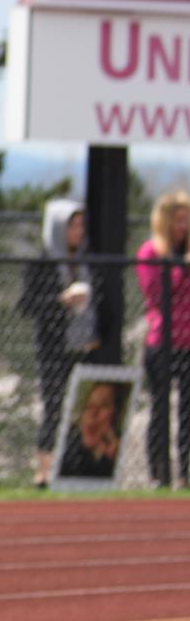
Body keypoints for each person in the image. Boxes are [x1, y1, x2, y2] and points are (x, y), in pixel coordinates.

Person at [18, 199, 98, 488]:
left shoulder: (87, 261)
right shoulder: (42, 263)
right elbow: (26, 304)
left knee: (84, 410)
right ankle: (44, 472)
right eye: (72, 225)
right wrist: (60, 300)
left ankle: (77, 469)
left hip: (84, 345)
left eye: (81, 225)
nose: (78, 231)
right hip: (54, 347)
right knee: (53, 408)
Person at [135, 189, 190, 488]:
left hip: (189, 343)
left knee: (187, 412)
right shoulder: (150, 253)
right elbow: (156, 294)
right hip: (162, 342)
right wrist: (180, 268)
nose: (183, 227)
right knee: (160, 408)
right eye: (178, 220)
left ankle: (184, 472)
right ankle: (157, 472)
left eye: (187, 220)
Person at [59, 380, 126, 479]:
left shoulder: (120, 450)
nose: (93, 413)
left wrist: (107, 459)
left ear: (116, 414)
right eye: (89, 406)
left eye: (103, 405)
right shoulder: (66, 448)